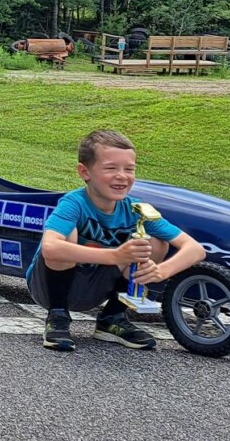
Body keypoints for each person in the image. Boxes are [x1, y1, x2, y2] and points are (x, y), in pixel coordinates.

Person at [25, 128, 206, 353]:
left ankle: (113, 317)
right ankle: (58, 316)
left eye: (129, 169)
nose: (122, 176)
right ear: (85, 171)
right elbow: (51, 248)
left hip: (98, 285)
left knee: (157, 244)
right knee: (66, 237)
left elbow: (195, 249)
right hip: (50, 287)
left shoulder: (137, 209)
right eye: (111, 168)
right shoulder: (73, 203)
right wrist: (115, 255)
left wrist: (161, 272)